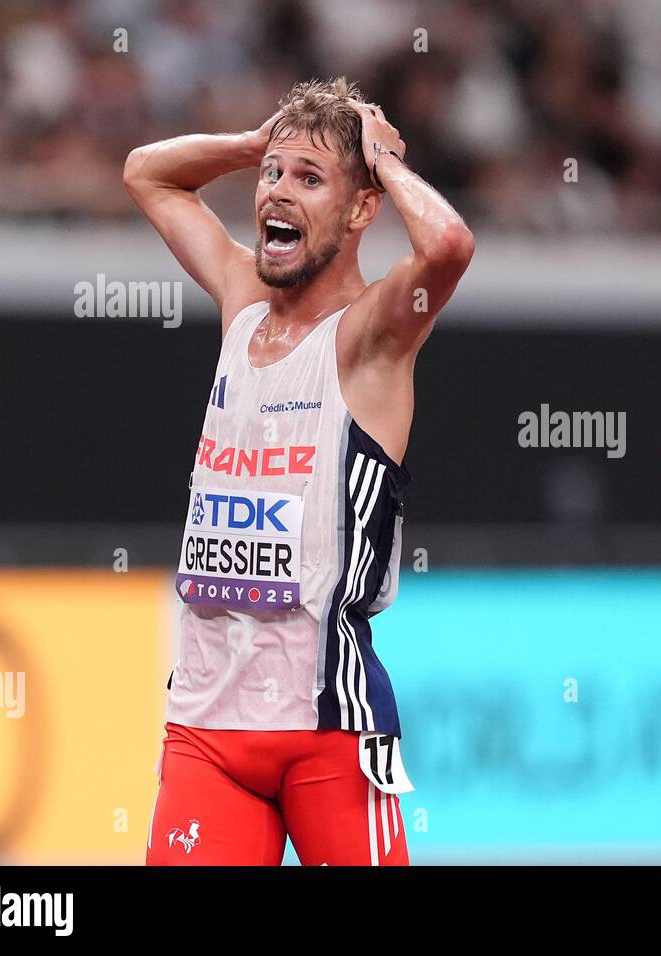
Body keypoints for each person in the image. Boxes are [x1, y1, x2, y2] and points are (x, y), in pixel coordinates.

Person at [125, 77, 474, 865]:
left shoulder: (373, 333)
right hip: (207, 726)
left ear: (361, 210)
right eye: (272, 177)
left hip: (329, 729)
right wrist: (258, 142)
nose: (277, 192)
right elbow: (146, 170)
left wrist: (379, 159)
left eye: (309, 180)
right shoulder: (241, 293)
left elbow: (449, 245)